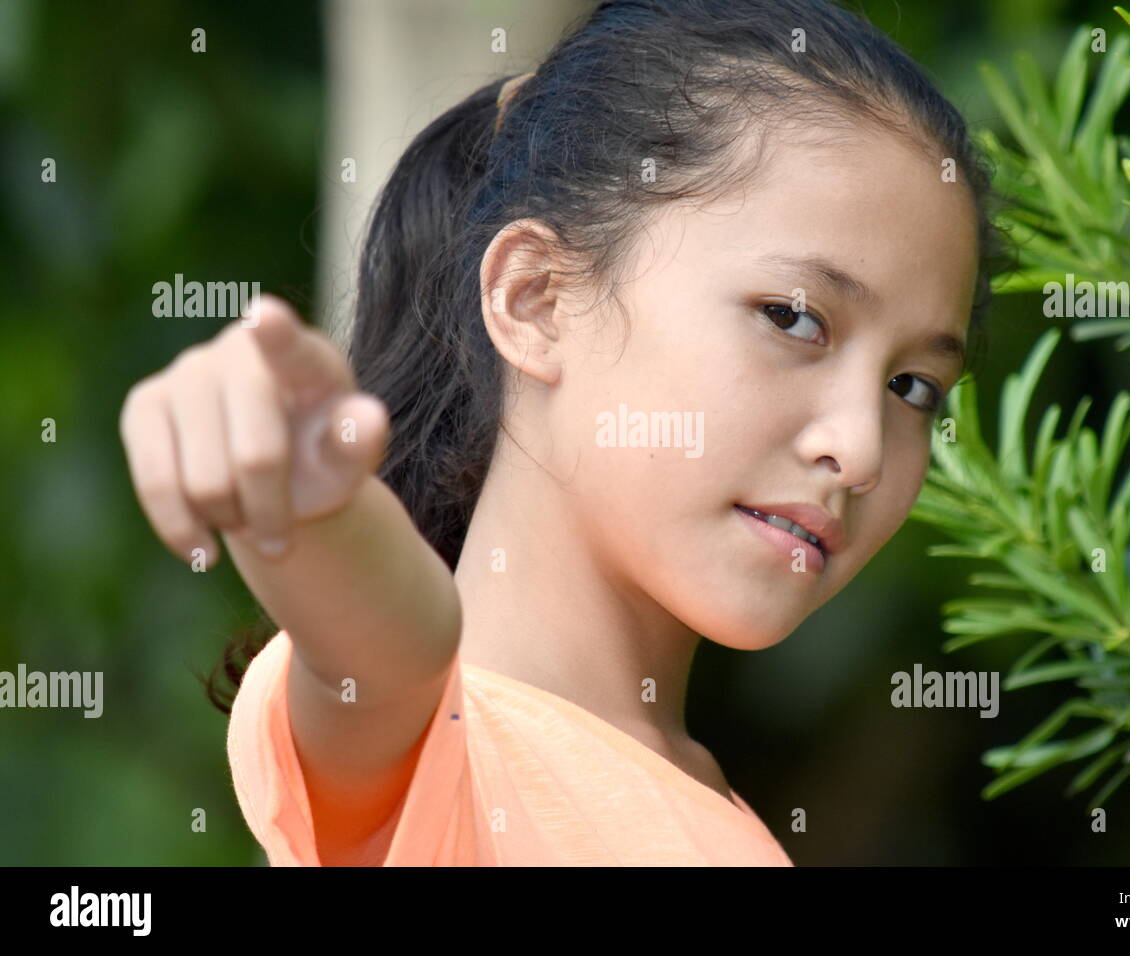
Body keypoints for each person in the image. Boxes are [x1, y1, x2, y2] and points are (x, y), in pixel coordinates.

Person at [119, 0, 999, 866]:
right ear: (536, 298)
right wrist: (315, 509)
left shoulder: (711, 809)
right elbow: (391, 645)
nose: (863, 448)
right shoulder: (426, 744)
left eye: (913, 386)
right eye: (794, 319)